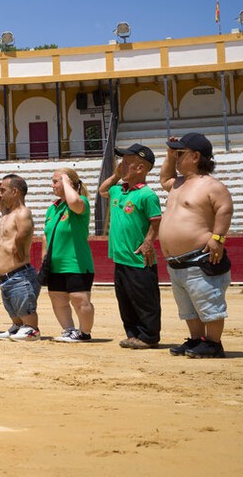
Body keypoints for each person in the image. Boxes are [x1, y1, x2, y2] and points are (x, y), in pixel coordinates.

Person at [159, 132, 234, 359]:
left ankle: (213, 343)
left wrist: (218, 238)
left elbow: (224, 209)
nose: (176, 158)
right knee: (188, 307)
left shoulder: (211, 185)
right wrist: (169, 155)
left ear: (195, 156)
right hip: (177, 263)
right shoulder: (177, 183)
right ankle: (196, 339)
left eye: (180, 153)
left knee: (208, 303)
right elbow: (164, 178)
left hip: (200, 259)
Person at [99, 143, 162, 350]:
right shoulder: (118, 190)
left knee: (144, 300)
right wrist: (116, 175)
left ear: (140, 168)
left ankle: (149, 336)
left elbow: (156, 222)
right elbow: (102, 190)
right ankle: (133, 334)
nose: (121, 166)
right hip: (121, 257)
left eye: (126, 163)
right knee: (125, 300)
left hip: (138, 258)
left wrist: (148, 242)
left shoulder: (147, 195)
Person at [41, 168, 95, 342]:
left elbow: (74, 201)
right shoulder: (53, 208)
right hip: (55, 264)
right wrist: (44, 258)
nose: (52, 185)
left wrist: (66, 182)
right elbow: (46, 235)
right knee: (57, 298)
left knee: (80, 299)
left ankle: (84, 333)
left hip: (76, 262)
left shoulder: (81, 202)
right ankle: (69, 330)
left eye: (55, 181)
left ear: (68, 182)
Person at [0, 173, 40, 341]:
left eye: (3, 190)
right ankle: (17, 326)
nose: (0, 194)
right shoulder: (7, 212)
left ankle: (31, 329)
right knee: (13, 306)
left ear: (15, 191)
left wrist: (18, 244)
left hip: (19, 273)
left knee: (24, 305)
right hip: (6, 276)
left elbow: (25, 231)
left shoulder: (23, 213)